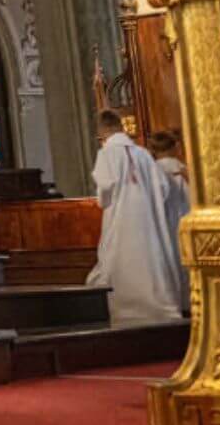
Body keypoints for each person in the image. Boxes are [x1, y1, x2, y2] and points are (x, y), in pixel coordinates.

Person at [87, 109, 187, 322]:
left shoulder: (106, 154)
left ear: (103, 132)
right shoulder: (142, 153)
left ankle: (128, 309)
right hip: (148, 221)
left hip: (121, 219)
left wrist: (103, 200)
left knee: (120, 259)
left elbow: (105, 187)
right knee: (151, 258)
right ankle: (159, 306)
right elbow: (162, 188)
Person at [146, 129, 191, 295]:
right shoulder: (184, 169)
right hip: (186, 219)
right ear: (175, 147)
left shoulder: (152, 171)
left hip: (162, 223)